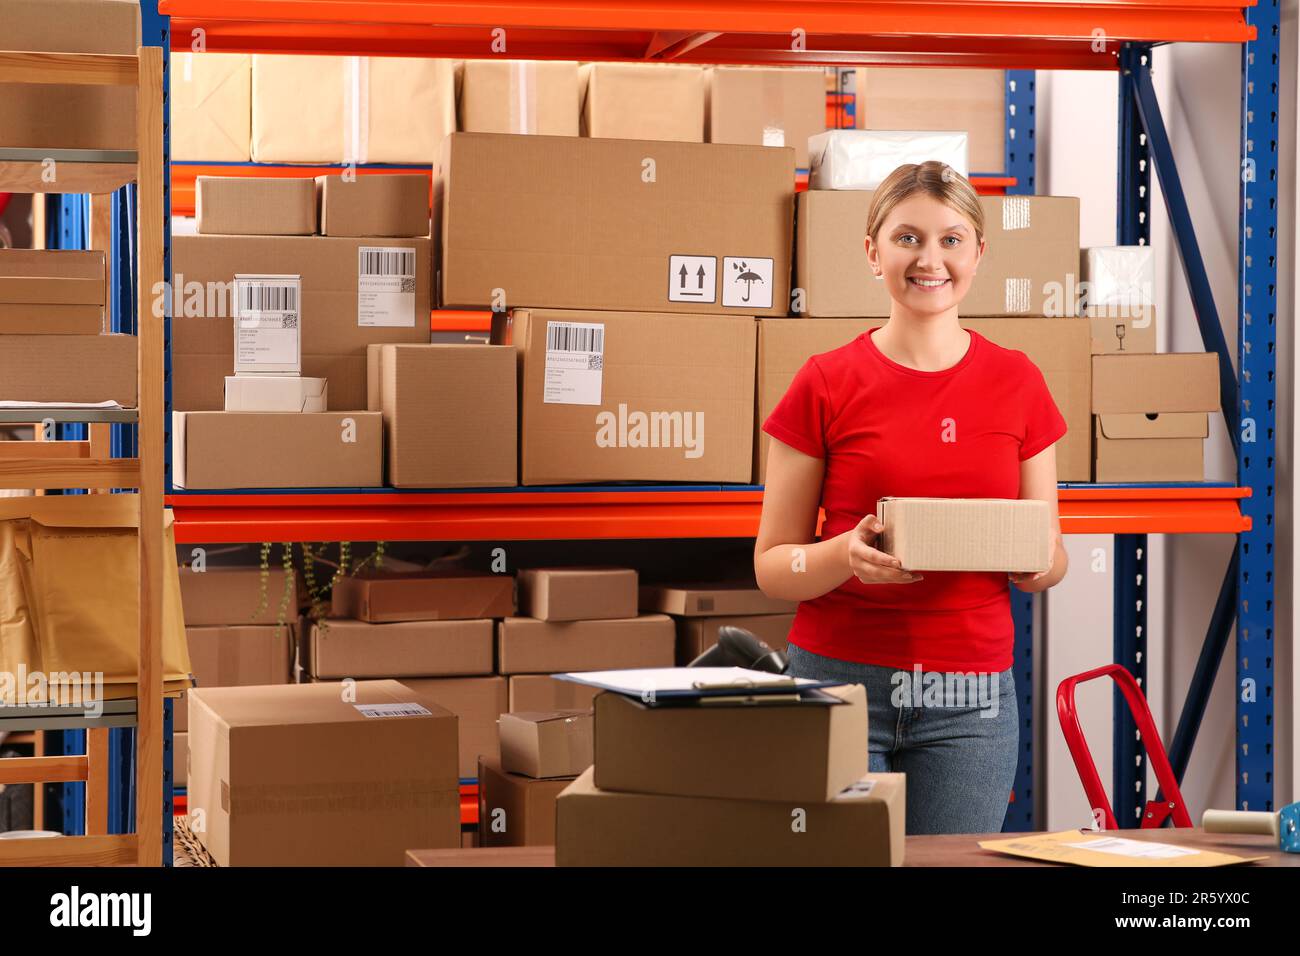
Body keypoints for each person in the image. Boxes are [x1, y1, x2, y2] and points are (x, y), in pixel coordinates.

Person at [754, 160, 1069, 835]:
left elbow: (1051, 554)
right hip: (838, 686)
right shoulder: (825, 382)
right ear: (873, 252)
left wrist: (1037, 564)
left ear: (979, 254)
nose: (931, 259)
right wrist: (844, 554)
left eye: (952, 239)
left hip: (970, 696)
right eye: (908, 238)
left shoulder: (1019, 382)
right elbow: (773, 565)